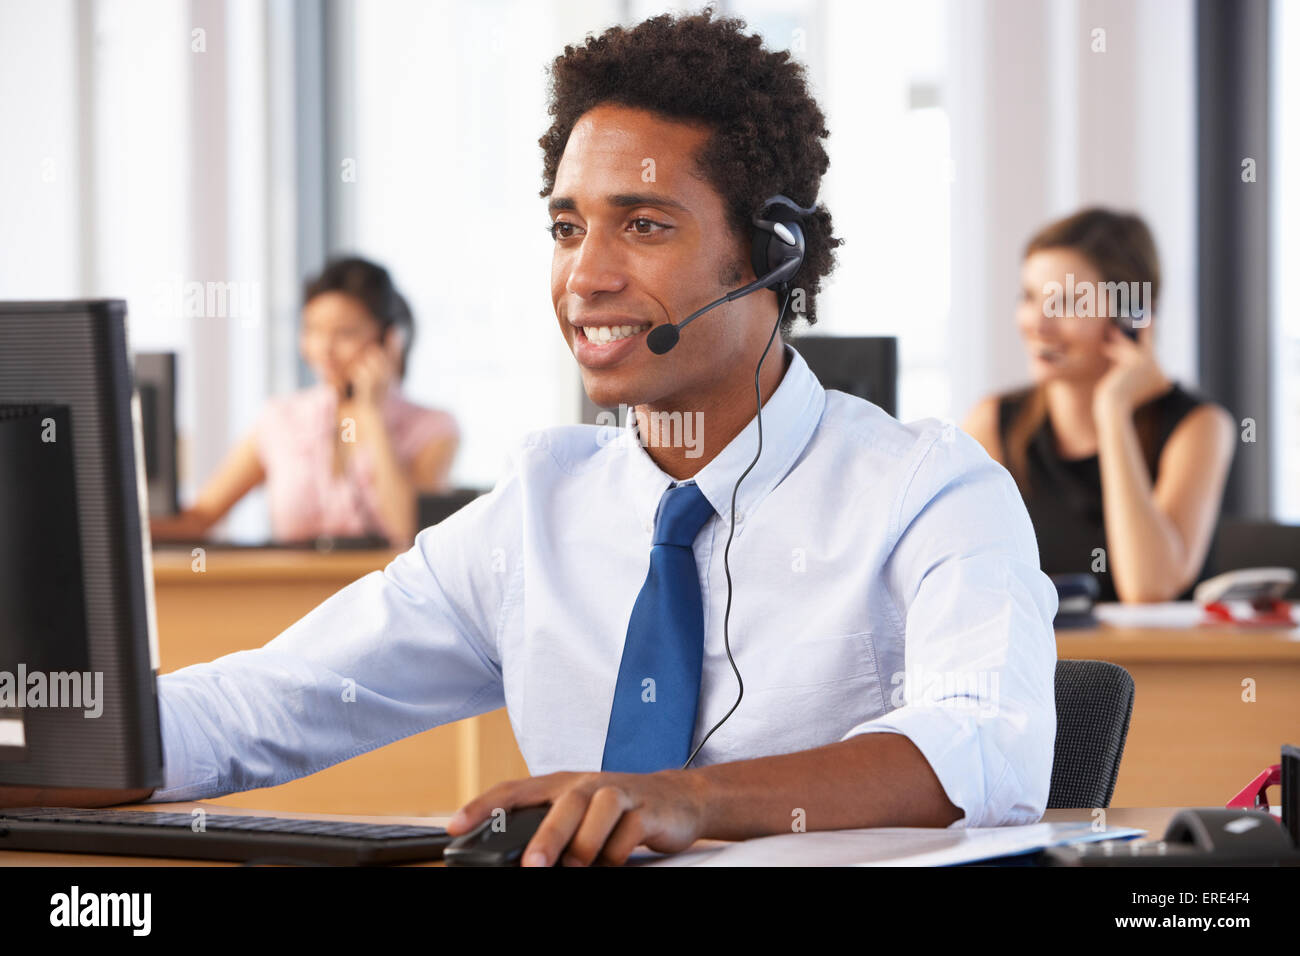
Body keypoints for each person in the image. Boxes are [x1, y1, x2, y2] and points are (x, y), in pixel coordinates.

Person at [2, 10, 1058, 866]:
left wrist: (684, 800)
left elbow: (984, 739)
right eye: (565, 226)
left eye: (642, 224)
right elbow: (262, 703)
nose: (584, 275)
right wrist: (45, 736)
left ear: (772, 254)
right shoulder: (539, 505)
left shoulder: (929, 488)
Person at [961, 209, 1236, 604]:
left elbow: (1148, 587)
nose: (1037, 323)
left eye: (1066, 303)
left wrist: (1113, 411)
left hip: (1159, 666)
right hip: (1039, 664)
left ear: (1131, 316)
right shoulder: (992, 422)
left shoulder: (1199, 426)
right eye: (1030, 297)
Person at [150, 256, 459, 549]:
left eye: (346, 333)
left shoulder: (433, 428)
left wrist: (370, 415)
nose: (324, 348)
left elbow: (408, 530)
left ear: (389, 341)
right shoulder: (281, 419)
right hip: (294, 598)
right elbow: (200, 519)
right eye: (313, 330)